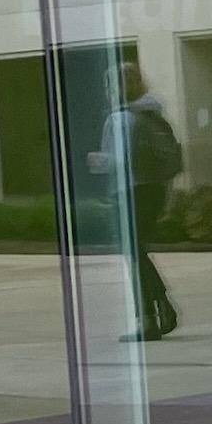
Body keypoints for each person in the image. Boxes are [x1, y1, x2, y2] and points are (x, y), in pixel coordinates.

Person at [91, 57, 183, 341]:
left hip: (130, 192)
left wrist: (96, 160)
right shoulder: (151, 114)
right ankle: (162, 308)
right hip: (153, 191)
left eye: (109, 85)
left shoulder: (119, 118)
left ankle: (149, 318)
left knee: (134, 256)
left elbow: (117, 161)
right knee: (137, 253)